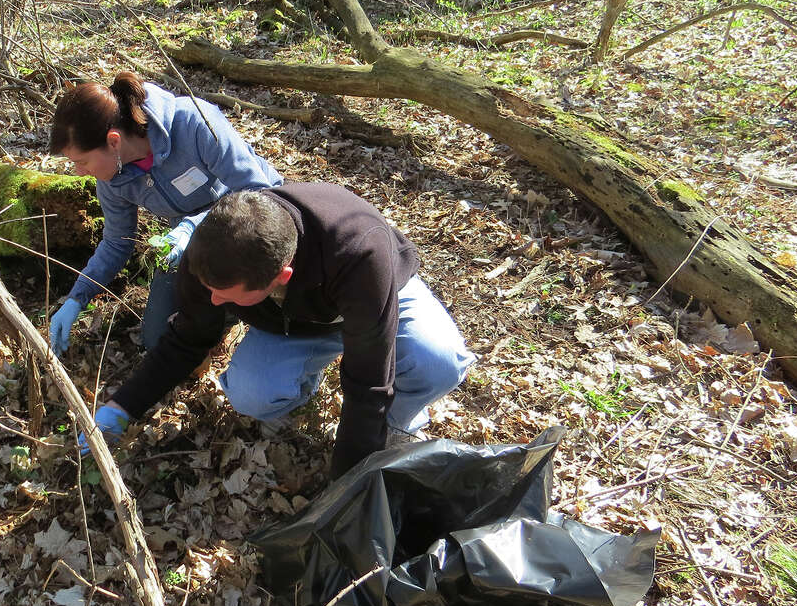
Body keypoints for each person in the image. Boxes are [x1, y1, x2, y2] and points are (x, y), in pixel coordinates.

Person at [80, 183, 476, 477]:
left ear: (279, 277)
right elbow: (188, 338)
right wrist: (122, 405)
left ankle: (398, 423)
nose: (214, 301)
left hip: (374, 301)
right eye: (211, 291)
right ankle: (303, 390)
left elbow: (368, 382)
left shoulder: (359, 254)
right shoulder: (211, 254)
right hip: (293, 323)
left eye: (226, 295)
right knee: (253, 394)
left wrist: (346, 485)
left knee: (438, 362)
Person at [48, 72, 282, 356]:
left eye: (82, 161)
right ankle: (222, 305)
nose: (79, 171)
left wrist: (191, 228)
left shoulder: (193, 123)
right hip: (191, 244)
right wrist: (77, 297)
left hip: (252, 221)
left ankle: (238, 308)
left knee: (257, 304)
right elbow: (116, 242)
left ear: (113, 141)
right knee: (160, 339)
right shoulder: (113, 179)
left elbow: (258, 189)